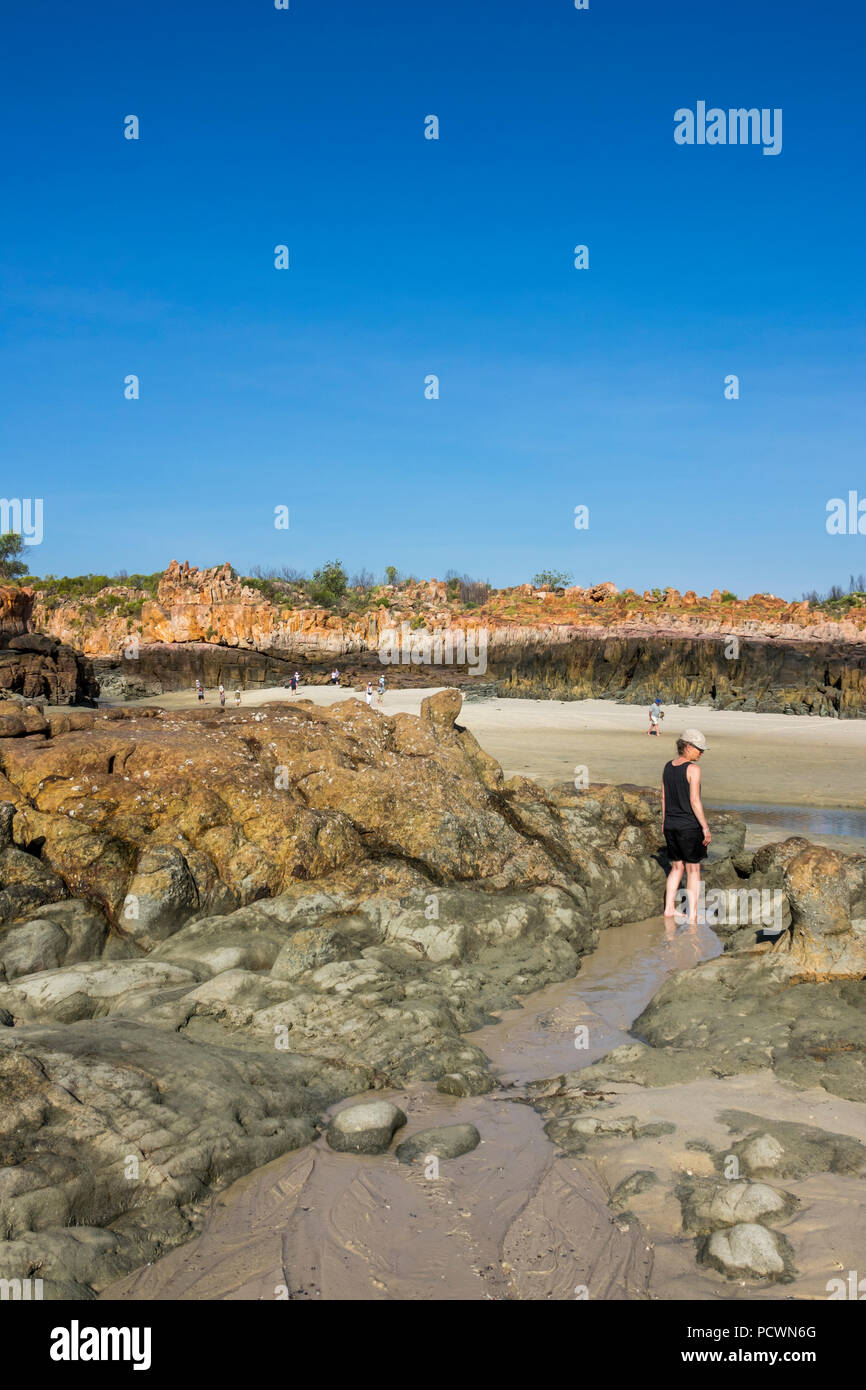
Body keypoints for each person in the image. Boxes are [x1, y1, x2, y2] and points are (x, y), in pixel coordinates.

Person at [662, 729, 711, 923]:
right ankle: (693, 914)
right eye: (699, 749)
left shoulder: (667, 767)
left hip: (671, 824)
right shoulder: (693, 770)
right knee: (693, 870)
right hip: (689, 827)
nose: (702, 753)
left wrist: (664, 823)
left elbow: (664, 797)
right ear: (688, 747)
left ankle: (669, 909)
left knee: (676, 868)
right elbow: (694, 801)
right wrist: (705, 828)